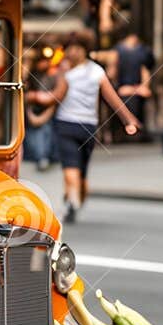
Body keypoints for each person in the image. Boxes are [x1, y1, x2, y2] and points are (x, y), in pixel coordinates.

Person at [50, 32, 140, 222]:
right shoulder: (66, 70)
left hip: (87, 126)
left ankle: (73, 199)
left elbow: (113, 99)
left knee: (80, 171)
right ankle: (72, 202)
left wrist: (128, 120)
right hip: (67, 123)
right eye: (69, 49)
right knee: (70, 166)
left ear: (85, 50)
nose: (73, 53)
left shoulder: (94, 71)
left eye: (77, 49)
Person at [110, 28, 155, 133]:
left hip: (124, 91)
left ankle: (126, 128)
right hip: (132, 90)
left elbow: (112, 74)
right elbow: (146, 73)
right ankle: (136, 128)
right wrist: (140, 88)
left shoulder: (116, 51)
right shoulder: (144, 51)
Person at [22, 47, 57, 171]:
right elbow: (24, 97)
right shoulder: (29, 77)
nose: (44, 64)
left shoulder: (53, 77)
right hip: (32, 113)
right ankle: (38, 157)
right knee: (34, 134)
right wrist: (31, 114)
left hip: (47, 113)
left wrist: (44, 116)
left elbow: (55, 99)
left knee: (45, 131)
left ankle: (43, 157)